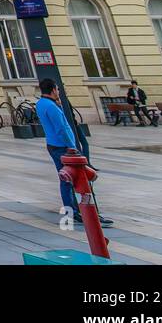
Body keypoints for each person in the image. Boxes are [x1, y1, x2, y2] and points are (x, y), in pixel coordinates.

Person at [36, 78, 112, 228]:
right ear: (52, 90)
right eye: (57, 89)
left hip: (53, 145)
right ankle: (86, 213)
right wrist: (72, 147)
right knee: (79, 179)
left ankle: (73, 212)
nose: (58, 92)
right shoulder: (51, 107)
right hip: (63, 147)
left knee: (66, 179)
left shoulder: (40, 104)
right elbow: (61, 128)